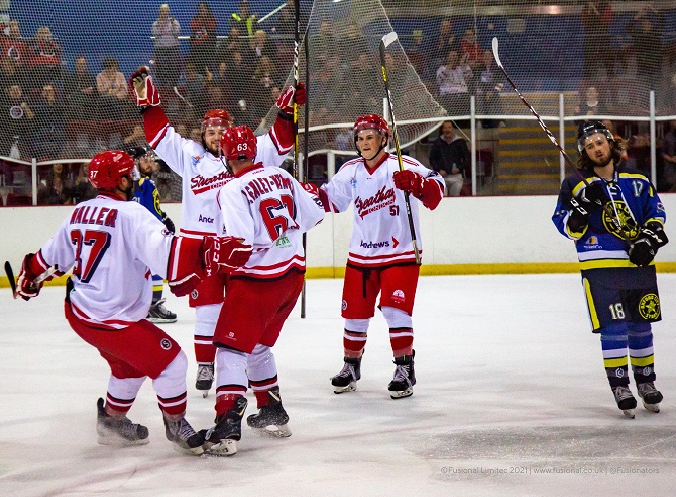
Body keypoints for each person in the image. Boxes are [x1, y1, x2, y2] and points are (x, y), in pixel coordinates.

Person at [13, 150, 251, 451]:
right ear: (122, 179)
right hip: (111, 318)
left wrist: (28, 279)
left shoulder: (80, 212)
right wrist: (210, 250)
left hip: (80, 311)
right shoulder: (133, 215)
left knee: (129, 366)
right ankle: (176, 424)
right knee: (172, 363)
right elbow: (169, 257)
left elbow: (47, 259)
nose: (134, 179)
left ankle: (111, 420)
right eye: (130, 174)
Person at [129, 66, 305, 396]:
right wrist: (149, 105)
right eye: (209, 132)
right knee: (208, 312)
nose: (215, 136)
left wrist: (286, 114)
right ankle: (207, 365)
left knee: (241, 315)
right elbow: (161, 137)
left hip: (243, 249)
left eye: (220, 131)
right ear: (202, 135)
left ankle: (247, 363)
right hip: (202, 247)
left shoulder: (247, 152)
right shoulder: (190, 156)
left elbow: (280, 142)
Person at [201, 126, 325, 456]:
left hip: (259, 281)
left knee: (230, 349)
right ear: (253, 152)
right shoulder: (281, 175)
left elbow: (241, 243)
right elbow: (315, 217)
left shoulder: (231, 189)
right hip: (292, 276)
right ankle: (272, 410)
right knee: (256, 347)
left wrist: (211, 253)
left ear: (225, 157)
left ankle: (227, 425)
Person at [312, 114, 444, 399]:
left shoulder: (404, 165)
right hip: (362, 255)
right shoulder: (351, 171)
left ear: (384, 139)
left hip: (401, 253)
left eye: (370, 136)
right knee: (354, 316)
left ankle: (405, 368)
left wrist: (417, 185)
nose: (364, 142)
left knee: (396, 311)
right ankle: (351, 366)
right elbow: (329, 201)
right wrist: (304, 195)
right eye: (359, 138)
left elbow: (437, 193)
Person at [552, 120, 667, 418]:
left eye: (599, 142)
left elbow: (656, 212)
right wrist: (582, 209)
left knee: (641, 325)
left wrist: (647, 240)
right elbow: (564, 224)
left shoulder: (637, 179)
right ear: (584, 153)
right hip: (600, 268)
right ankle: (620, 386)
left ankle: (646, 382)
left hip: (637, 266)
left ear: (610, 143)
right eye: (589, 147)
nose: (596, 149)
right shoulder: (576, 184)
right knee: (614, 328)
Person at [126, 145, 179, 324]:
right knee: (156, 265)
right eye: (145, 159)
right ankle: (153, 305)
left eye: (150, 159)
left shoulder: (126, 186)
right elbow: (151, 212)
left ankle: (134, 305)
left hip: (128, 235)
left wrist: (163, 217)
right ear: (134, 163)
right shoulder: (145, 184)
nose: (150, 163)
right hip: (144, 234)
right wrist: (162, 223)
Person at [429, 120, 470, 196]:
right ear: (442, 130)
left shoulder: (460, 142)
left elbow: (466, 159)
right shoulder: (438, 142)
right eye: (445, 128)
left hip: (456, 178)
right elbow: (432, 159)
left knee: (455, 198)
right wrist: (439, 170)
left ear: (453, 129)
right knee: (443, 198)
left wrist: (459, 168)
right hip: (442, 177)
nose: (447, 130)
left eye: (449, 127)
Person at [151, 4, 181, 87]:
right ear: (159, 12)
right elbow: (155, 33)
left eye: (166, 11)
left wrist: (173, 25)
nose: (164, 13)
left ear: (169, 12)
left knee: (173, 66)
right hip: (160, 48)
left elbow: (176, 33)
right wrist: (161, 25)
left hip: (173, 48)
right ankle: (162, 84)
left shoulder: (174, 21)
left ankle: (173, 84)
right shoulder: (155, 23)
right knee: (160, 66)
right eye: (162, 11)